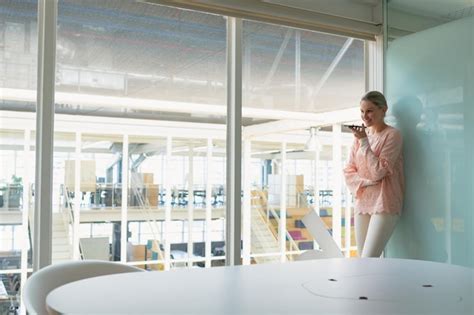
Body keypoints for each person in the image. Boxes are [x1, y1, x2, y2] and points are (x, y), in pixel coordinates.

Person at [343, 91, 404, 257]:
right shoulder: (360, 137)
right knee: (363, 259)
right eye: (362, 111)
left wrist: (364, 141)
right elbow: (348, 170)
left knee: (368, 258)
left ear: (383, 110)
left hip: (384, 201)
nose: (365, 116)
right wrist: (366, 182)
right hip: (363, 200)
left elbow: (379, 171)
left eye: (369, 111)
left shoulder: (393, 135)